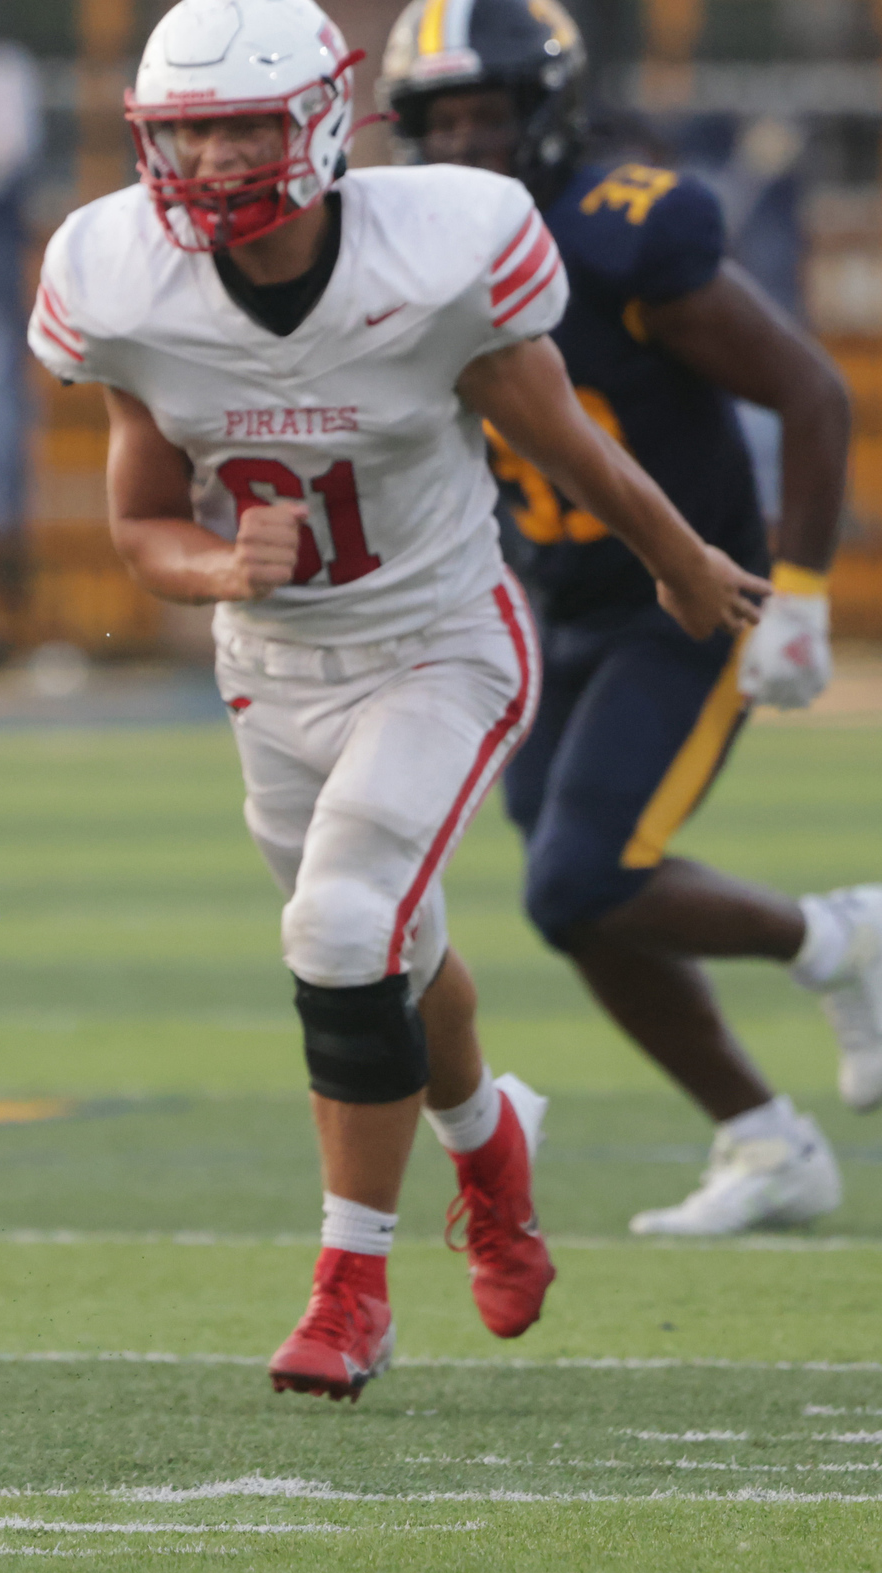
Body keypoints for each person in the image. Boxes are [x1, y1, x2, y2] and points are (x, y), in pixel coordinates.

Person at [29, 0, 767, 1400]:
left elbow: (567, 437)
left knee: (341, 921)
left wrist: (681, 562)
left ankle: (347, 1285)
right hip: (273, 671)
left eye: (243, 124)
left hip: (442, 641)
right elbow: (138, 527)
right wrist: (211, 566)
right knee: (393, 954)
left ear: (318, 119)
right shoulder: (117, 275)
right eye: (186, 131)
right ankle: (491, 1147)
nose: (214, 159)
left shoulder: (437, 252)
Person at [379, 0, 874, 1238]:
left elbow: (809, 390)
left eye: (487, 113)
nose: (464, 144)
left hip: (686, 591)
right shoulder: (397, 249)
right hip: (555, 602)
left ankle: (840, 936)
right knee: (570, 898)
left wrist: (798, 595)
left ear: (542, 112)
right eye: (439, 121)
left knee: (584, 870)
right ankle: (766, 1137)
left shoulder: (615, 231)